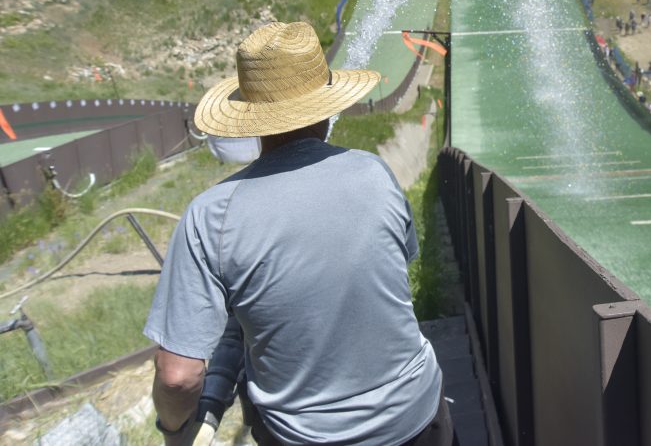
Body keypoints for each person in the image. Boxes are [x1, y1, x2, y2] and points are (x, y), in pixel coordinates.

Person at [145, 22, 452, 446]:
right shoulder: (375, 173)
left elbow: (178, 377)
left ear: (251, 117)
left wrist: (175, 431)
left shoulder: (209, 217)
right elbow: (390, 280)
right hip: (417, 417)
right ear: (327, 105)